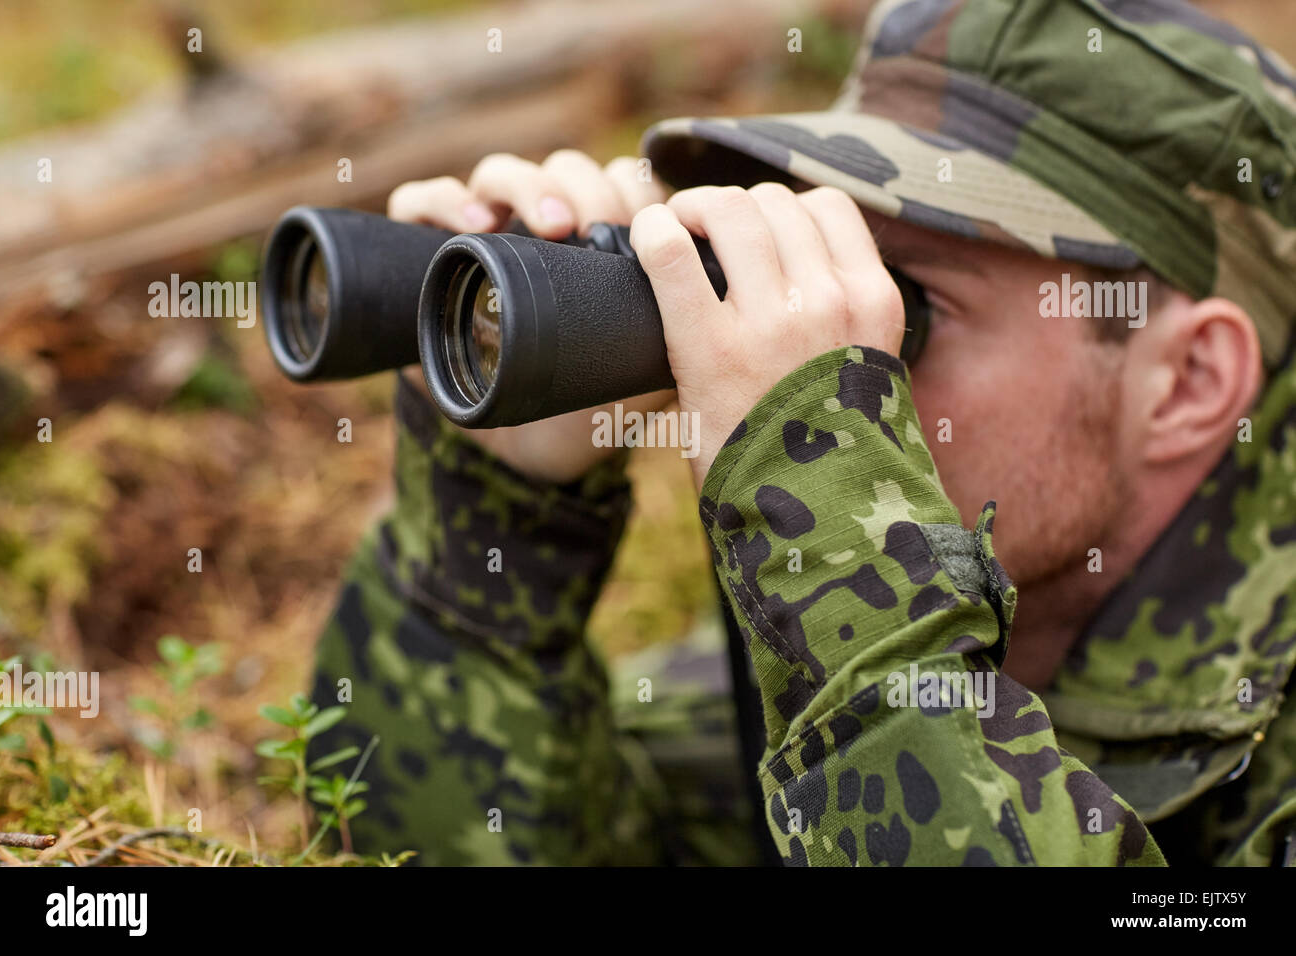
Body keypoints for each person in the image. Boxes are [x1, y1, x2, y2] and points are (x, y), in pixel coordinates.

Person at [307, 0, 1296, 865]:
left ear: (1187, 383)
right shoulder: (802, 662)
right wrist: (491, 541)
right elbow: (413, 832)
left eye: (901, 308)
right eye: (821, 268)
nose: (823, 352)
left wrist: (847, 576)